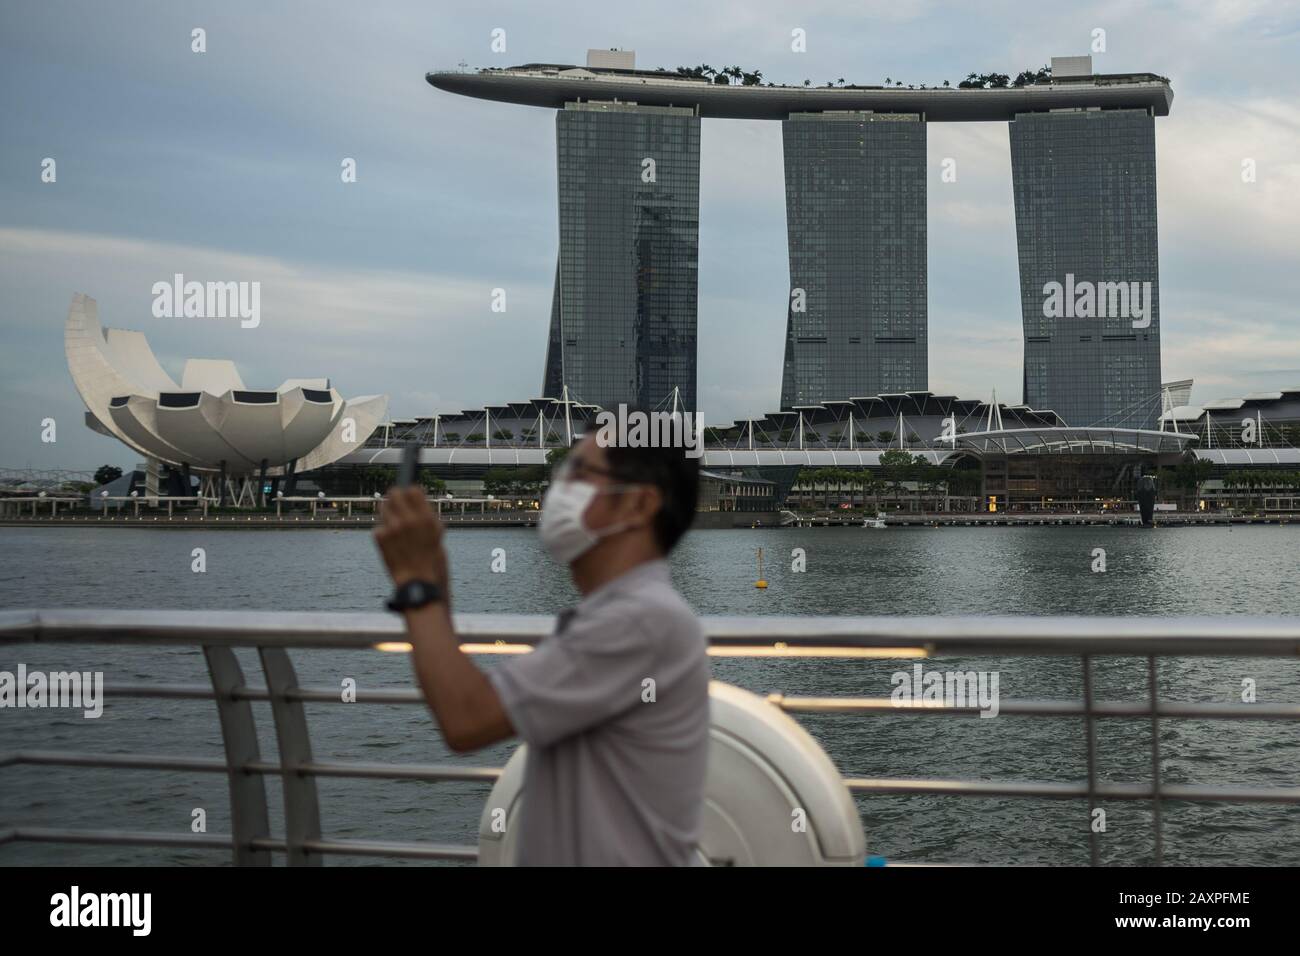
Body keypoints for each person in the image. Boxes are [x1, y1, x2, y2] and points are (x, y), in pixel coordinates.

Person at [373, 434, 708, 865]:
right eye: (562, 472)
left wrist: (415, 582)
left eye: (581, 473)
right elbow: (467, 700)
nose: (559, 489)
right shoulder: (621, 614)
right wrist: (430, 568)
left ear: (639, 505)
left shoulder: (638, 622)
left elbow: (467, 718)